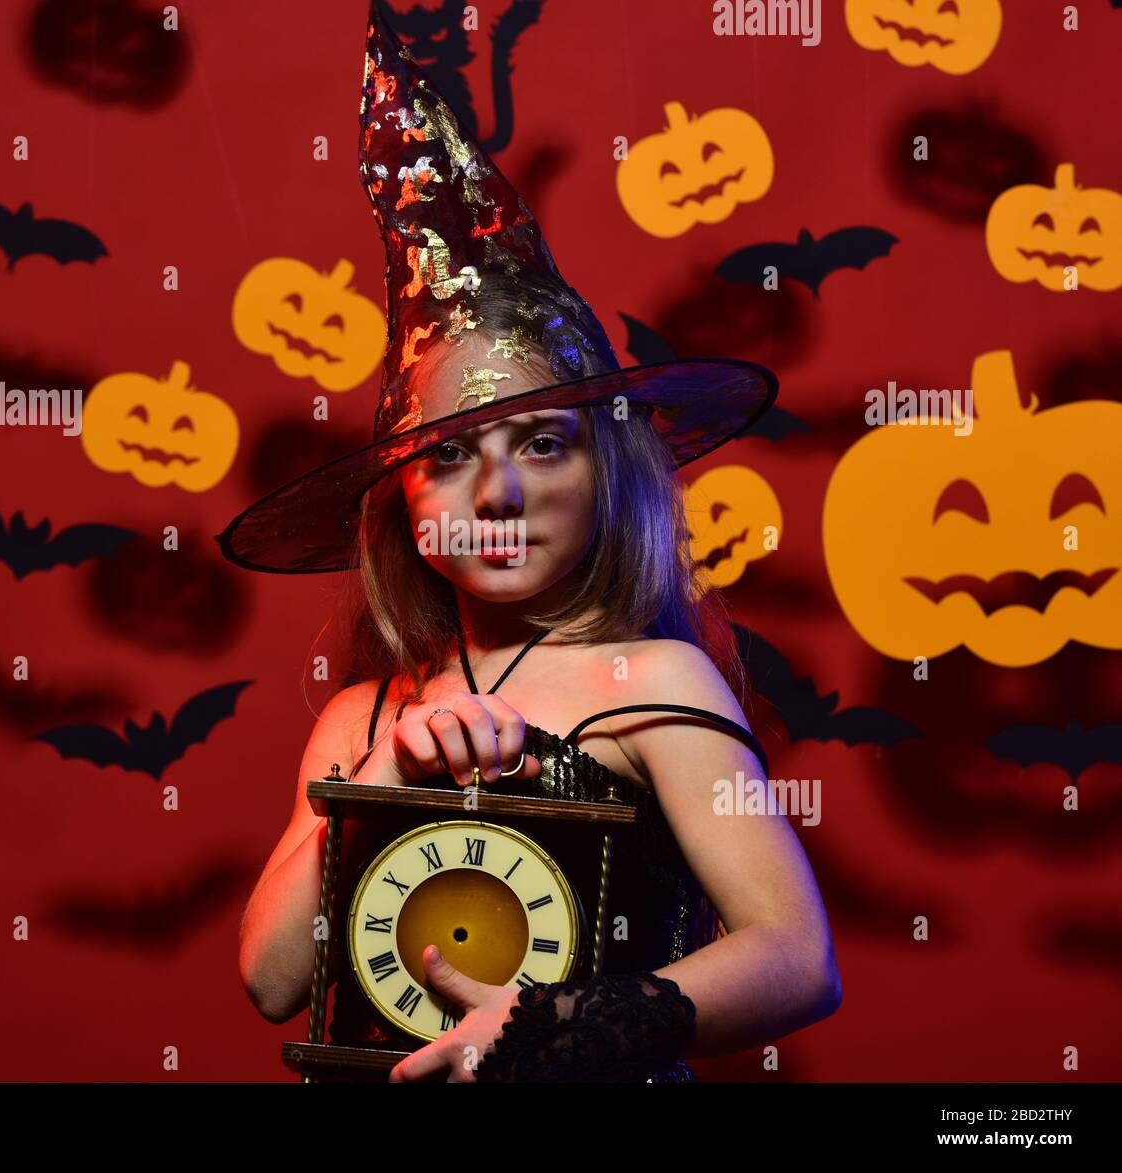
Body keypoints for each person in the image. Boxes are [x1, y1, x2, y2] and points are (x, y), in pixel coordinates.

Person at [223, 1, 840, 1083]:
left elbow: (796, 959)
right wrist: (380, 778)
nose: (499, 490)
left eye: (544, 441)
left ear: (608, 473)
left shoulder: (658, 680)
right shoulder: (361, 717)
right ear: (402, 503)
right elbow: (274, 980)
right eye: (452, 453)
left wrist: (553, 1028)